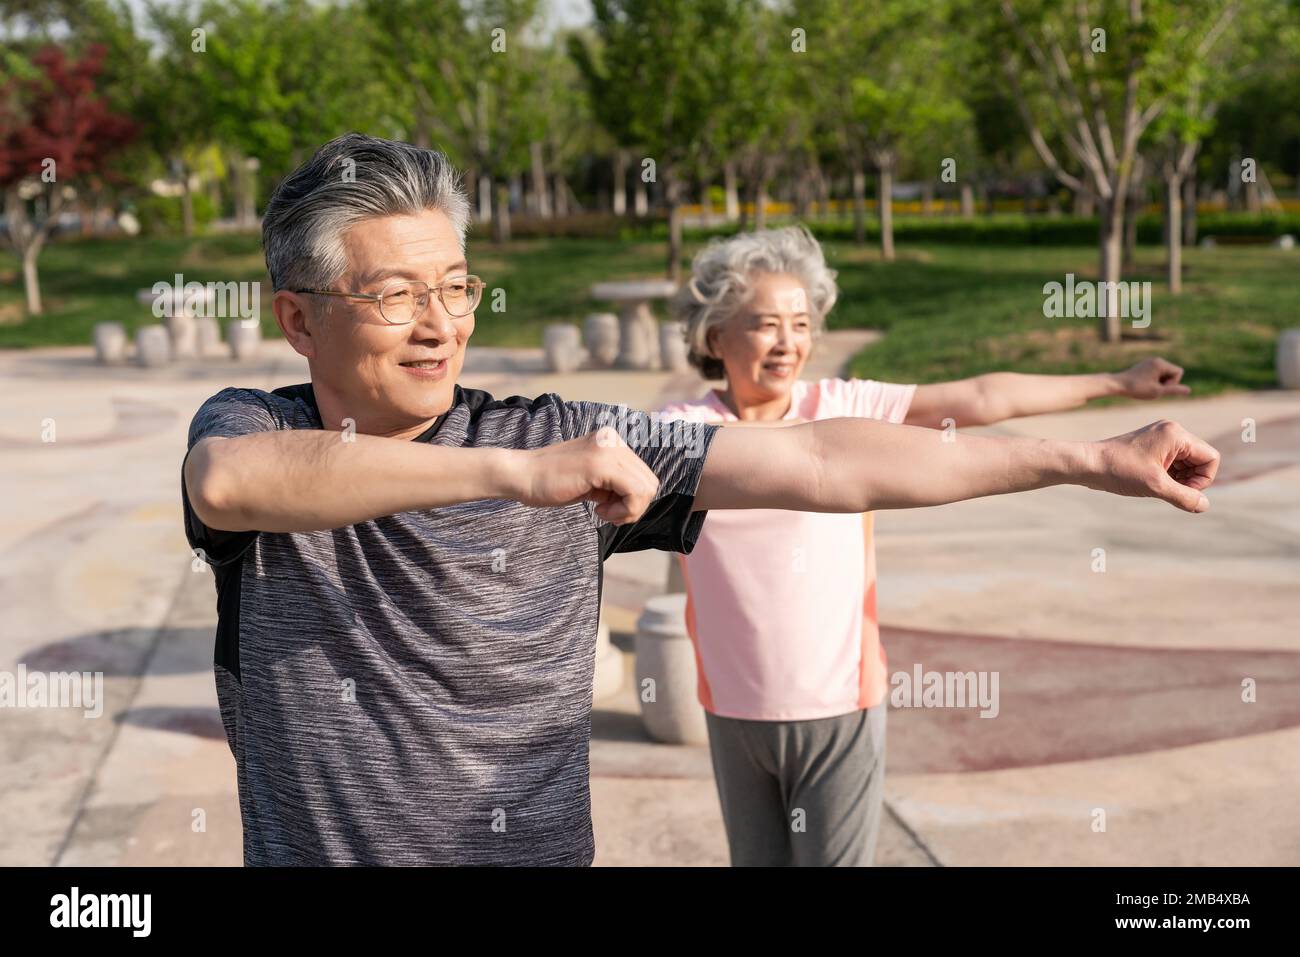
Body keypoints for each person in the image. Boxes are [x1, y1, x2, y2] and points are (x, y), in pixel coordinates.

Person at [182, 133, 1219, 866]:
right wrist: (509, 476)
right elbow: (231, 487)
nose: (438, 323)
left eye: (454, 286)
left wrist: (1086, 456)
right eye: (395, 294)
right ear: (299, 320)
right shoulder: (256, 427)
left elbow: (822, 463)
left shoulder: (557, 432)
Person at [658, 225, 1197, 866]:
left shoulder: (844, 407)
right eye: (765, 324)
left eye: (801, 324)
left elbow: (978, 397)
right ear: (715, 336)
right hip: (732, 707)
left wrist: (1113, 380)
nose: (788, 343)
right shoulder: (681, 432)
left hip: (840, 706)